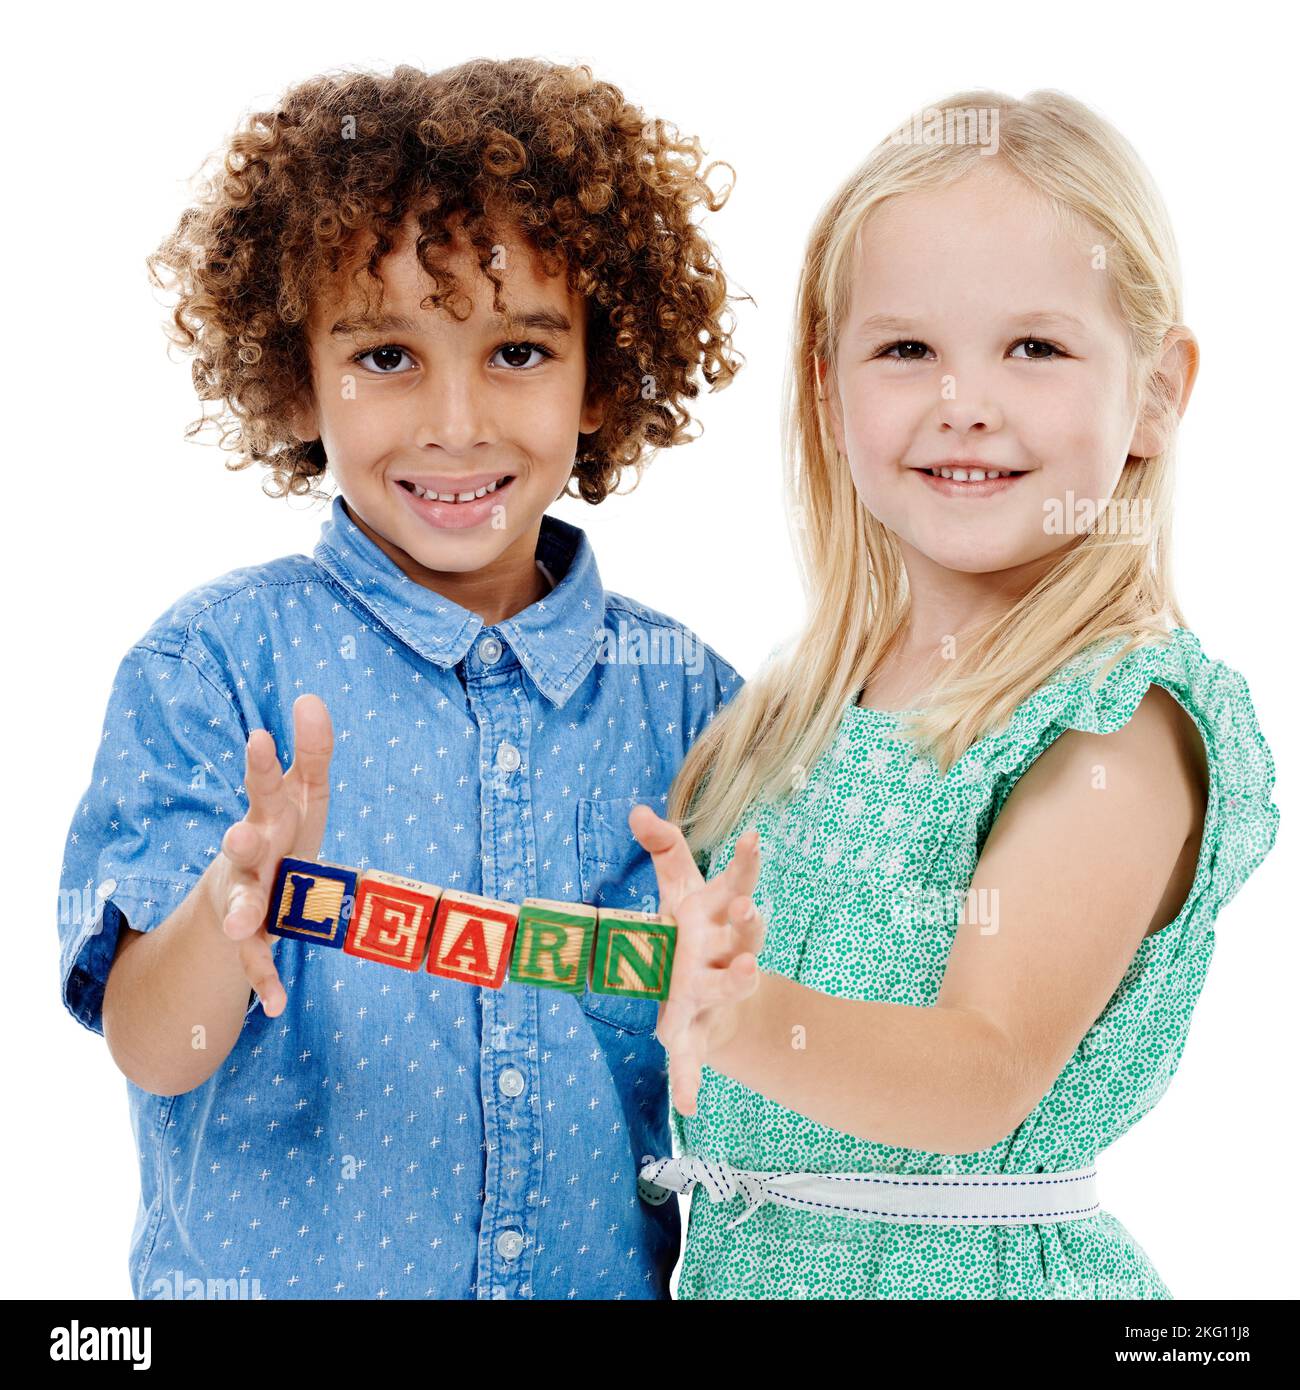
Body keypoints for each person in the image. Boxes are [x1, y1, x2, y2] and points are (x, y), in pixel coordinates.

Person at [56, 58, 743, 1301]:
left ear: (602, 373)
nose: (455, 421)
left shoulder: (691, 704)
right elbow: (155, 1047)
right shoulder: (212, 670)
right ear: (296, 373)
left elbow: (752, 1062)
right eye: (385, 356)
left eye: (520, 350)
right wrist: (231, 905)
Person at [630, 89, 1279, 1299]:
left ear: (1154, 392)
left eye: (1032, 347)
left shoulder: (1114, 721)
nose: (962, 399)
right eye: (905, 348)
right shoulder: (799, 705)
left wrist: (740, 1018)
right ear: (828, 391)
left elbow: (984, 1070)